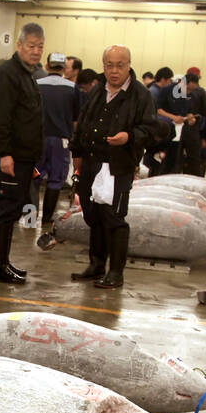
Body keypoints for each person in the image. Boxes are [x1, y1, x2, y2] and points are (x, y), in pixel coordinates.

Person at [70, 44, 161, 289]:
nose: (114, 70)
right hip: (91, 163)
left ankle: (116, 272)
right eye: (109, 65)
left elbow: (152, 130)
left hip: (117, 166)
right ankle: (96, 264)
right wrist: (76, 153)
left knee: (114, 219)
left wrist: (129, 137)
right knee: (93, 215)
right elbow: (84, 122)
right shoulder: (98, 91)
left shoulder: (141, 95)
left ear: (129, 65)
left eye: (120, 65)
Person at [0, 23, 46, 284]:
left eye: (40, 47)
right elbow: (0, 117)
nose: (36, 51)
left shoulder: (27, 74)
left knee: (12, 210)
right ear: (19, 45)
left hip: (25, 156)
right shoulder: (8, 74)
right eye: (31, 46)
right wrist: (4, 154)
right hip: (12, 156)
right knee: (5, 210)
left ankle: (5, 262)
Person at [34, 51, 81, 248]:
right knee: (56, 180)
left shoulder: (36, 85)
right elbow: (76, 120)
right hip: (61, 139)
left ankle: (29, 217)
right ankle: (46, 219)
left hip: (38, 138)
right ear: (63, 69)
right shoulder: (72, 88)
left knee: (33, 177)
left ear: (47, 65)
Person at [144, 67, 187, 176]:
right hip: (155, 132)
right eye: (169, 81)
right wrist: (172, 117)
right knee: (154, 163)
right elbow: (155, 111)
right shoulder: (154, 92)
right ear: (163, 79)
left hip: (162, 130)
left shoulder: (159, 91)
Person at [180, 67, 206, 176]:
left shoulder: (176, 90)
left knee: (176, 158)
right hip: (192, 130)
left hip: (178, 129)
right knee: (194, 159)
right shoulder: (200, 91)